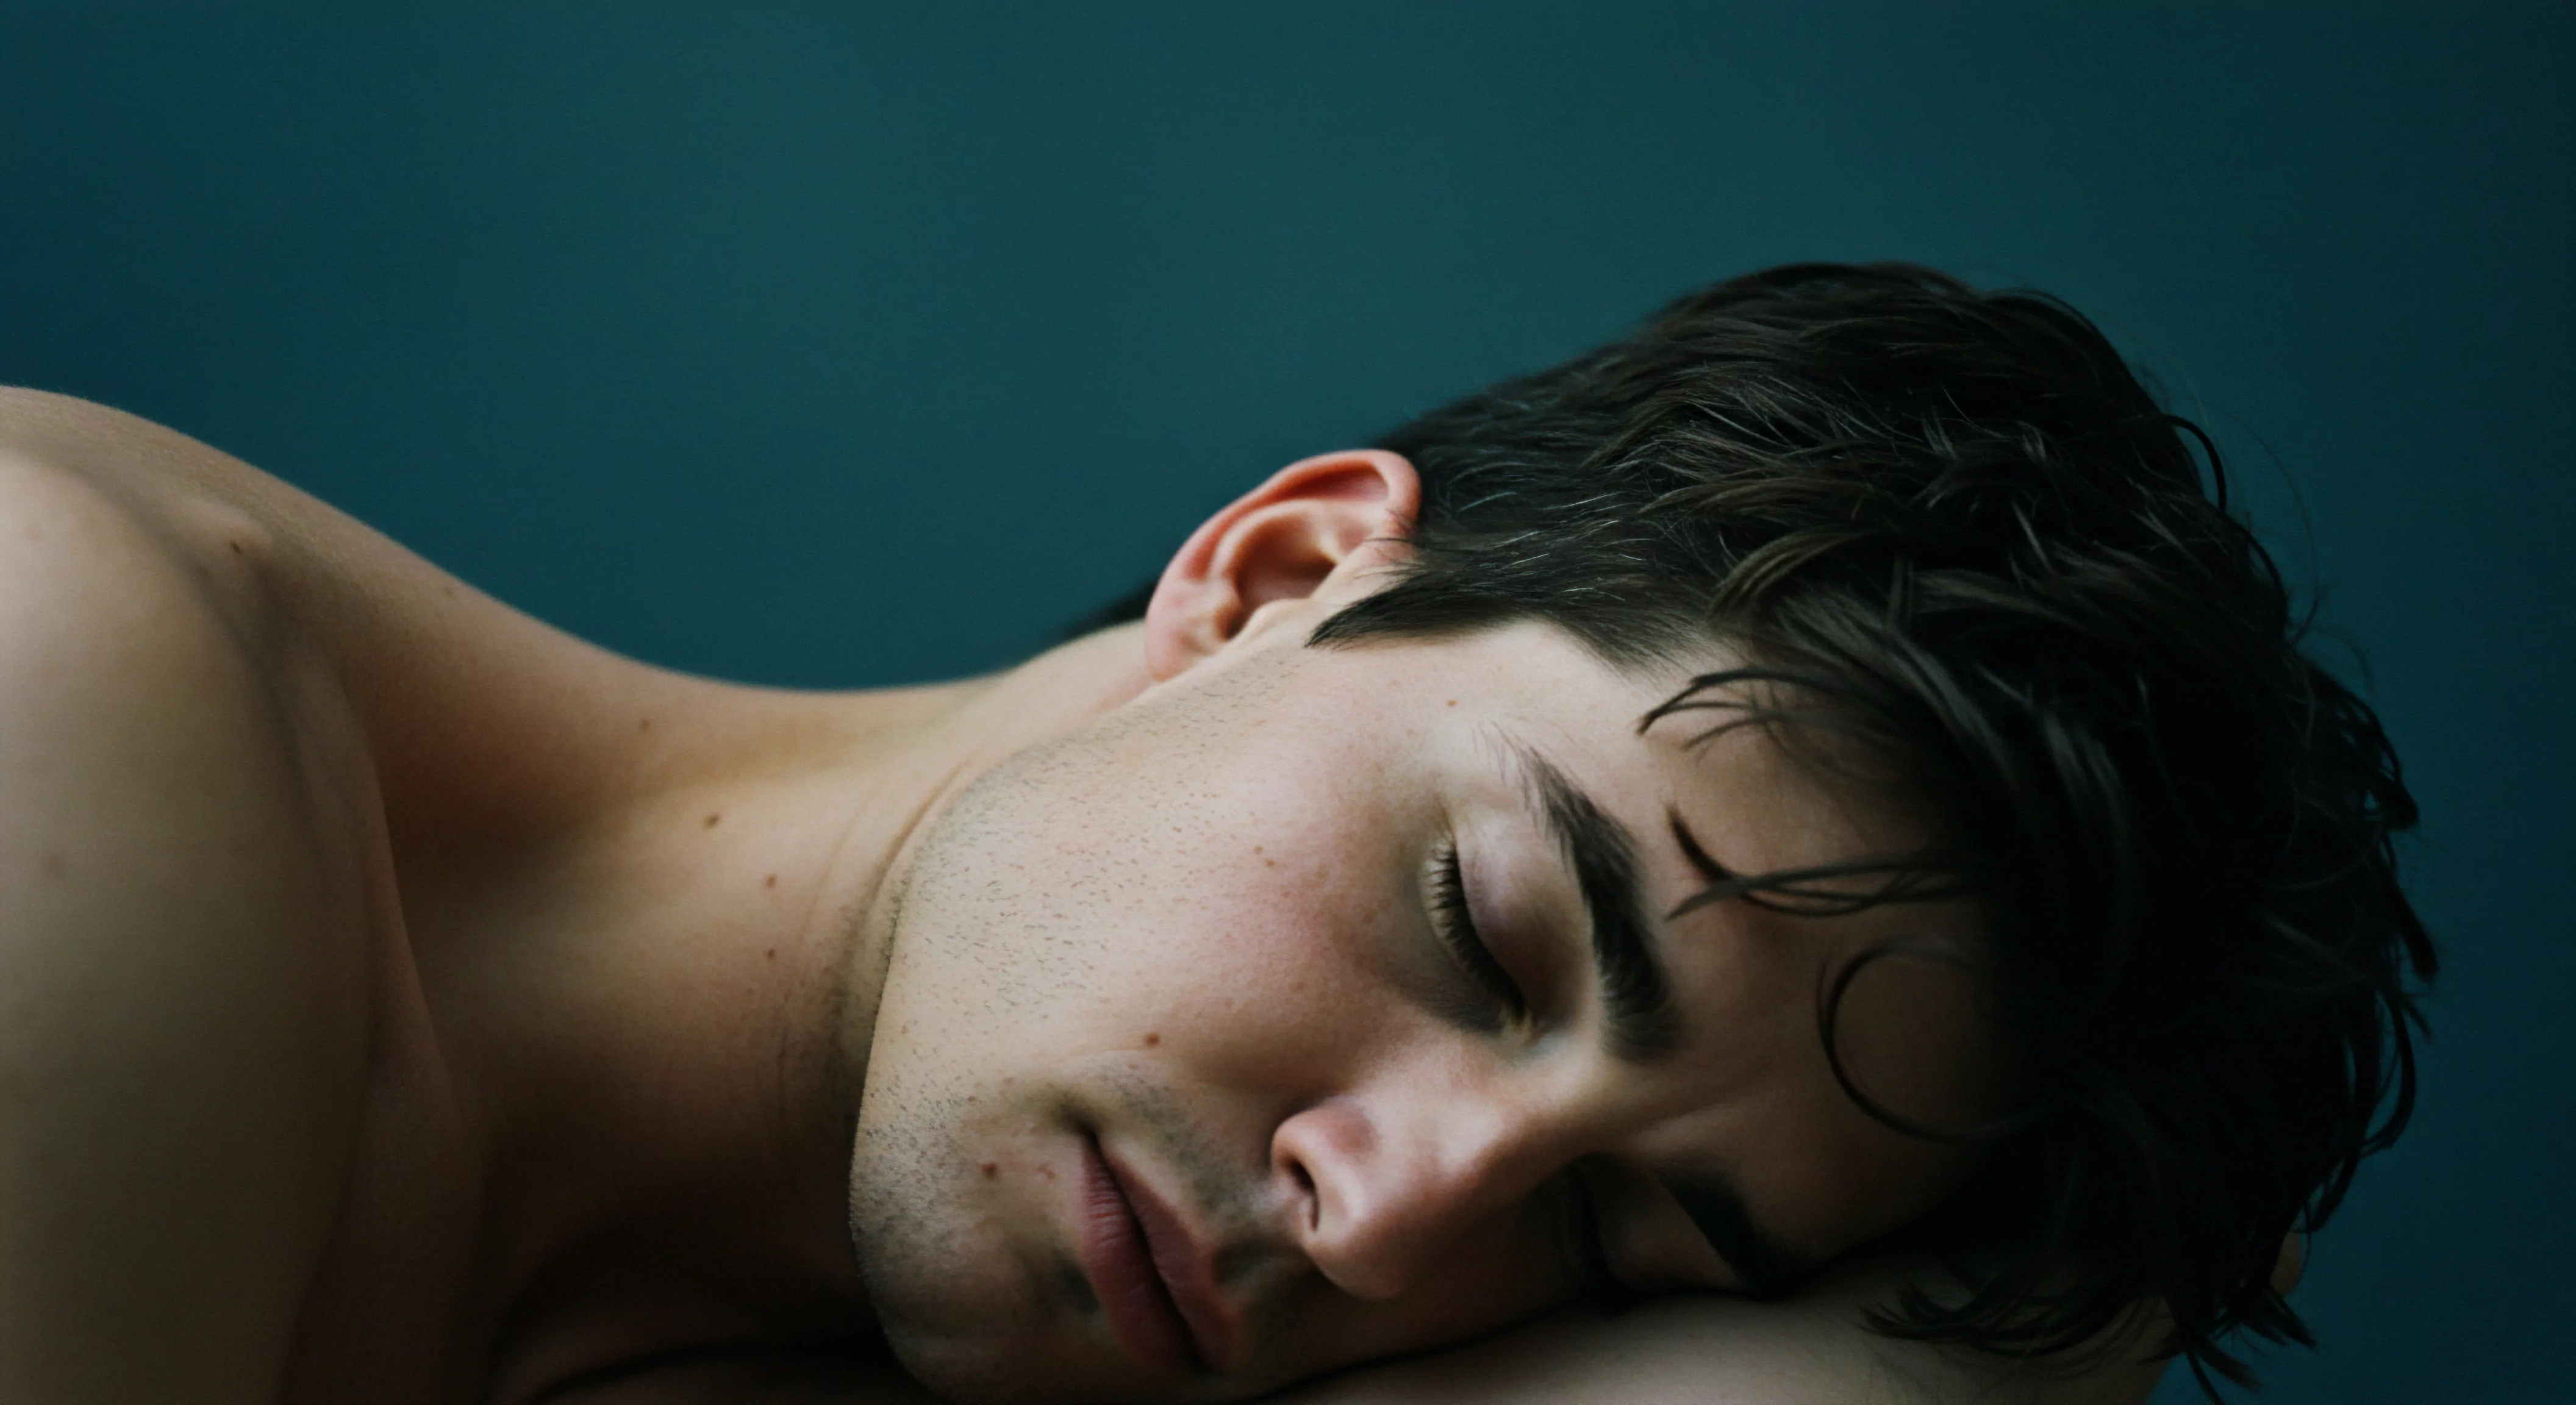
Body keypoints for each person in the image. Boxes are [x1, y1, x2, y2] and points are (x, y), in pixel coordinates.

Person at [0, 263, 2429, 1404]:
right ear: (1270, 576)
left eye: (1604, 1244)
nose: (1387, 1222)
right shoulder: (67, 696)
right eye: (1487, 930)